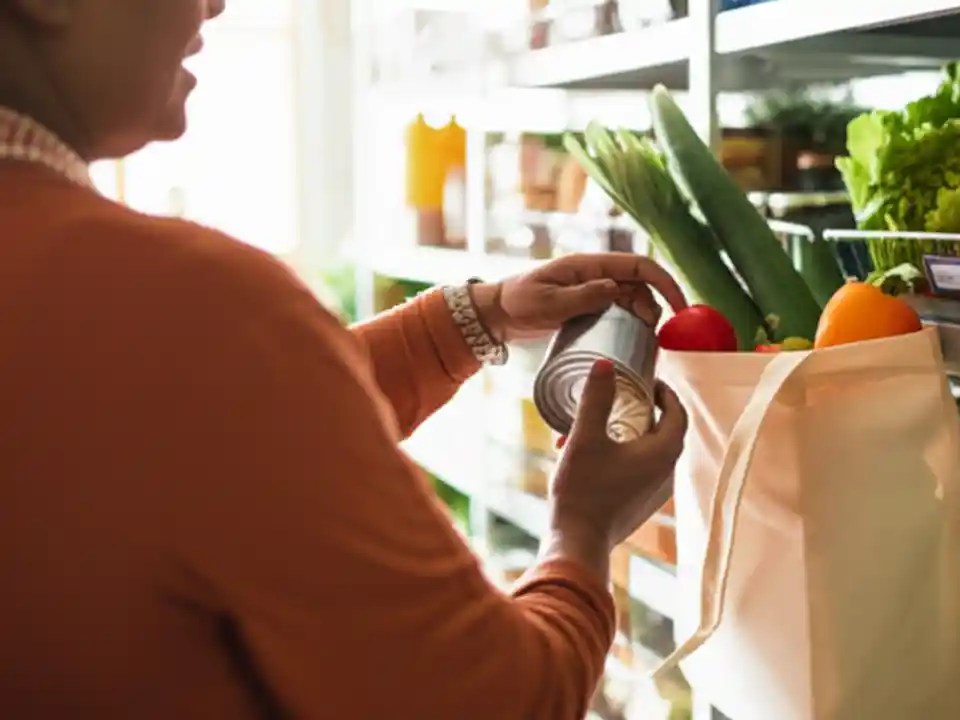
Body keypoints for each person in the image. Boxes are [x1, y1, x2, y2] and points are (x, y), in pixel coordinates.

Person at [0, 1, 689, 718]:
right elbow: (494, 701)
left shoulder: (127, 311)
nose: (216, 3)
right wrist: (583, 528)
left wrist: (478, 317)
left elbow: (213, 439)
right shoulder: (186, 302)